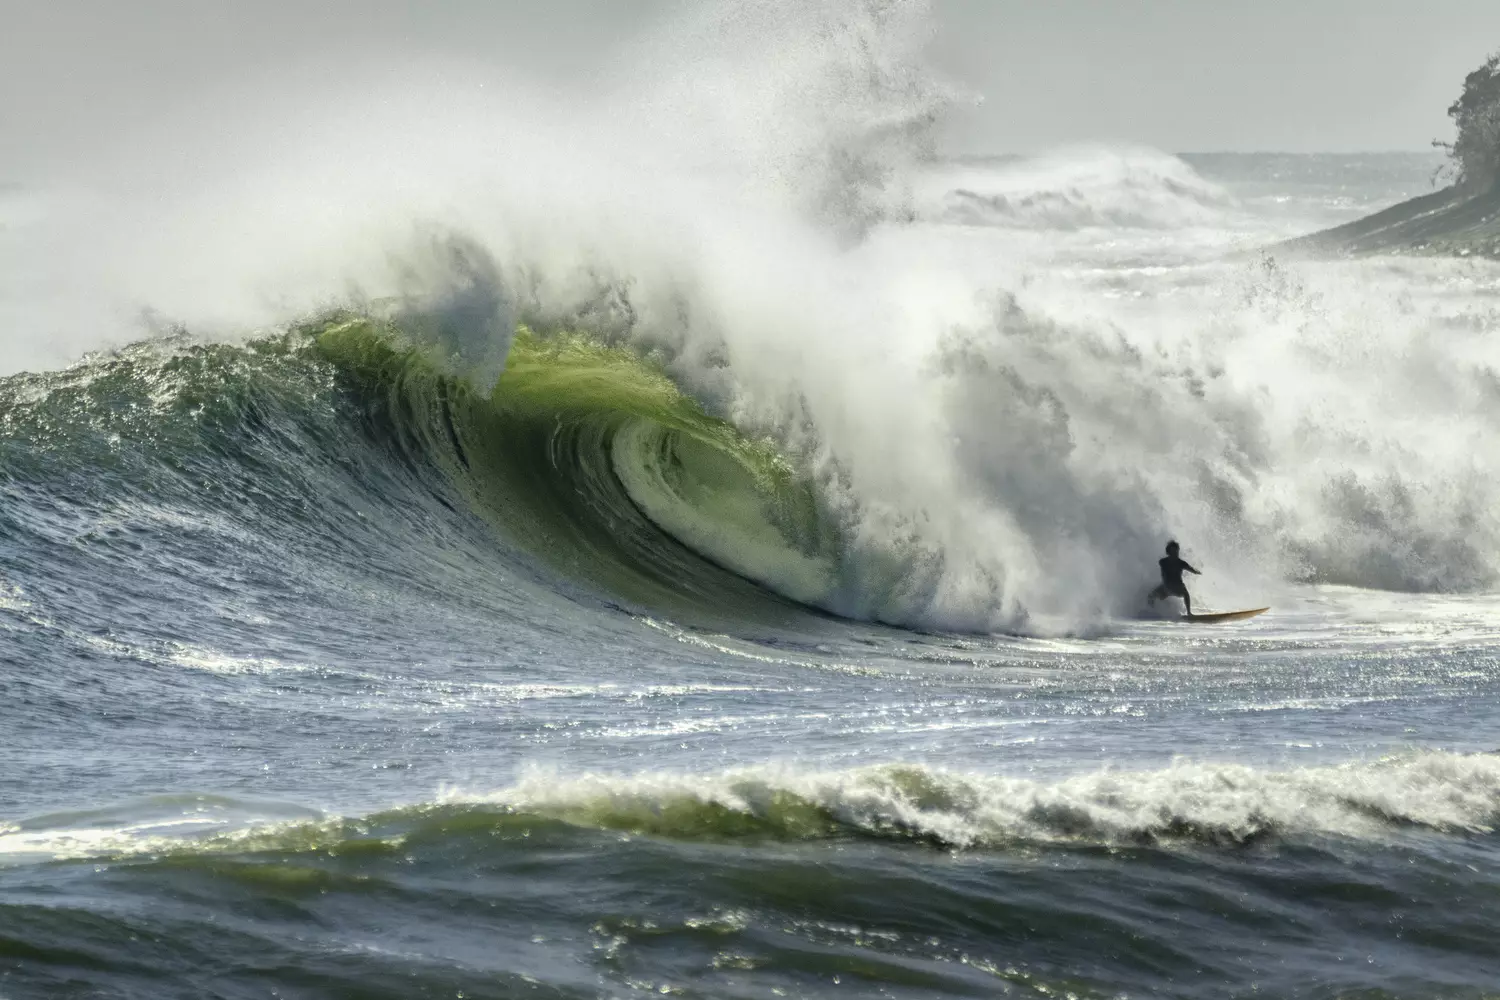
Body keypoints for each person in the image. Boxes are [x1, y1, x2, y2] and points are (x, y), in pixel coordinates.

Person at [1148, 540, 1201, 614]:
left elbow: (1191, 569)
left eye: (1176, 551)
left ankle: (1189, 613)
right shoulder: (1163, 562)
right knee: (1150, 596)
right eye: (1172, 551)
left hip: (1177, 587)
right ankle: (1151, 613)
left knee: (1186, 593)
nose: (1175, 553)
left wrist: (1196, 572)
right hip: (1166, 587)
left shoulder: (1181, 563)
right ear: (1168, 552)